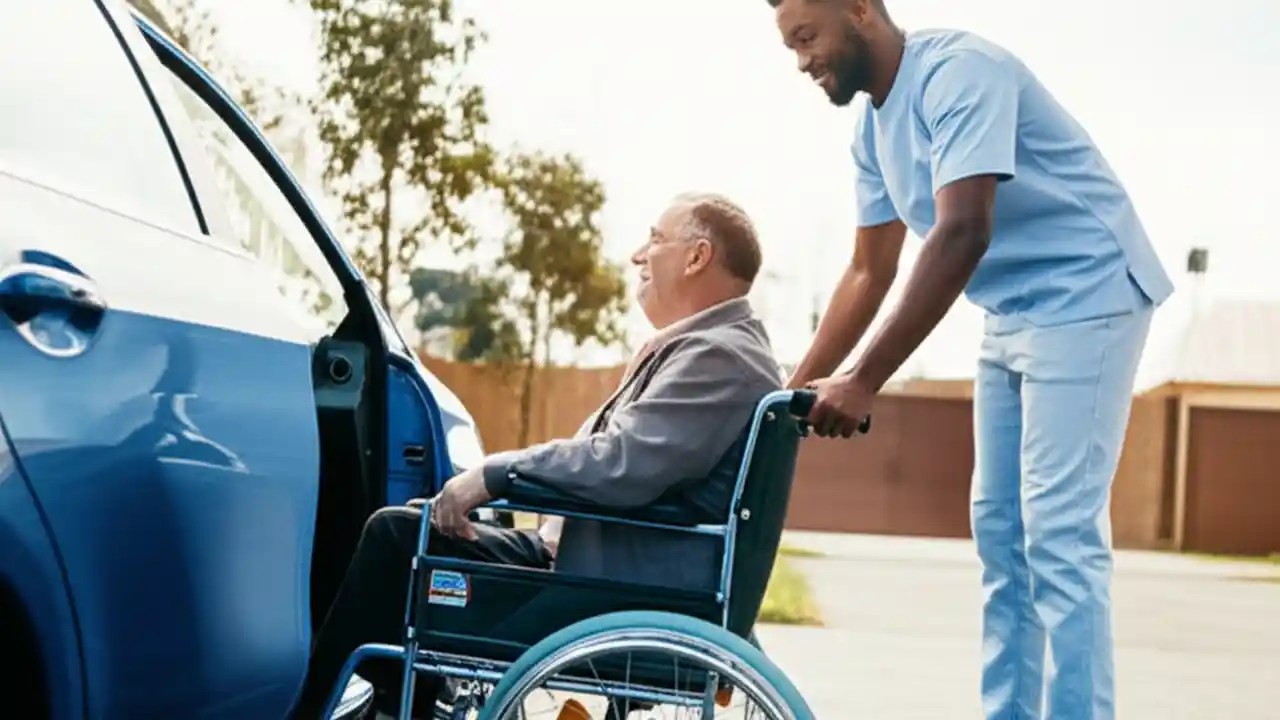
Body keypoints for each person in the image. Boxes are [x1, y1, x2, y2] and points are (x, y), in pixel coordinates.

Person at [767, 1, 1173, 718]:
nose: (800, 61)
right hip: (1011, 309)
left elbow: (962, 233)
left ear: (859, 9)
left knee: (1057, 533)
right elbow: (869, 270)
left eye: (807, 36)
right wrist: (786, 396)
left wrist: (864, 379)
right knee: (1000, 533)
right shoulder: (872, 128)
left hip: (1088, 290)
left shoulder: (959, 73)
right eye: (790, 45)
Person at [291, 191, 783, 718]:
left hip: (613, 588)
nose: (639, 255)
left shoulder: (720, 356)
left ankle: (316, 710)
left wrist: (497, 474)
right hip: (608, 565)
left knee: (397, 541)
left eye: (655, 240)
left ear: (696, 257)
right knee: (415, 529)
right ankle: (395, 704)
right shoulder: (714, 347)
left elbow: (619, 464)